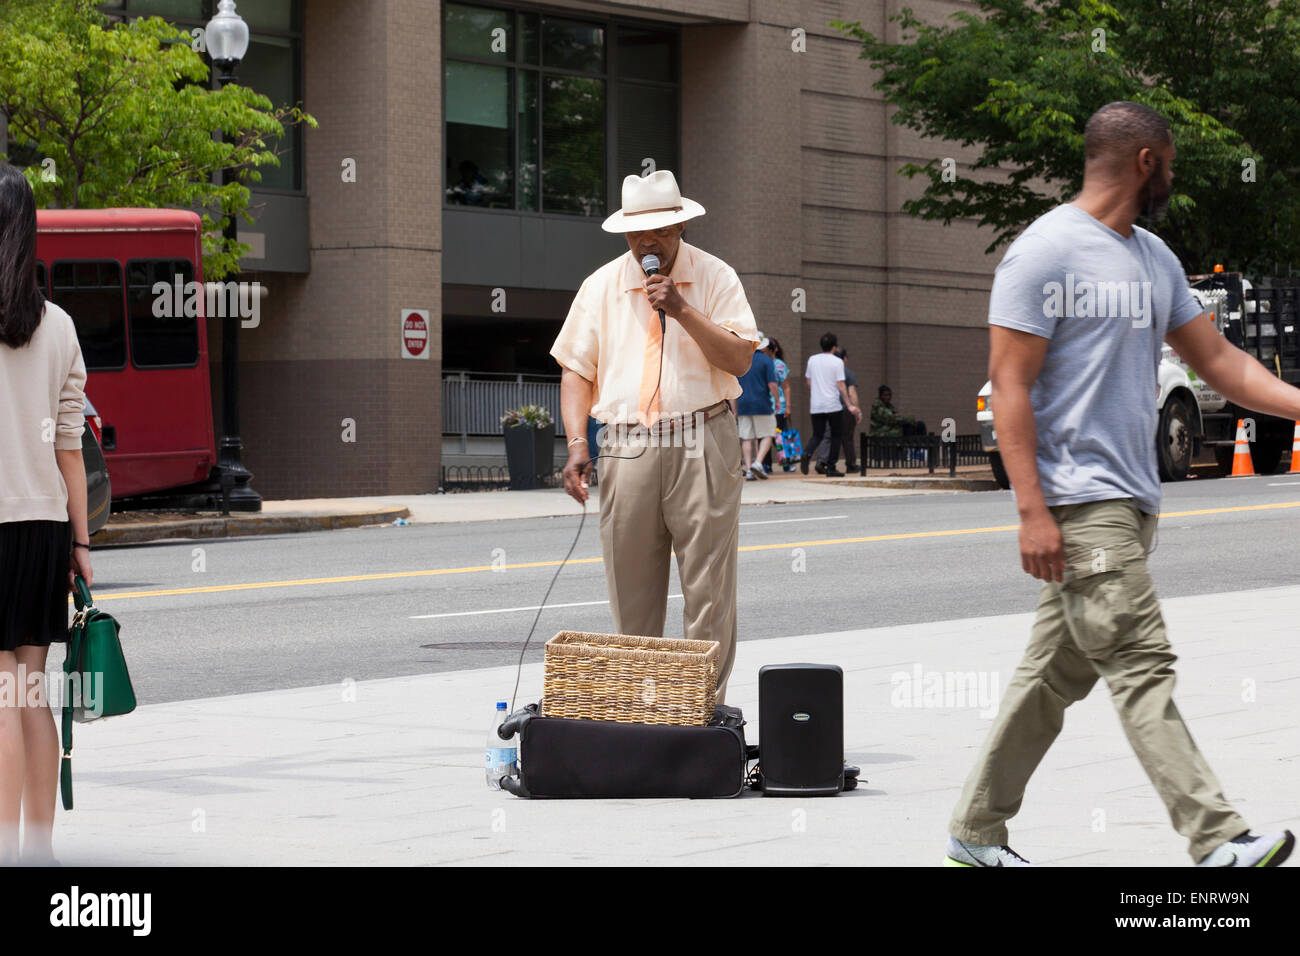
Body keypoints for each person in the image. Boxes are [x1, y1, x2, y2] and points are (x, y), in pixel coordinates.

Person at [945, 101, 1296, 868]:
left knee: (1051, 677)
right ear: (1147, 161)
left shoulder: (1153, 258)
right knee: (1141, 662)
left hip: (1132, 503)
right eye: (1169, 162)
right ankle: (1217, 838)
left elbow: (1221, 363)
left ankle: (974, 833)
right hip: (1082, 503)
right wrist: (1031, 510)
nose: (1173, 175)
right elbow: (1008, 386)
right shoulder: (1043, 252)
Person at [552, 170, 758, 703]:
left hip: (703, 438)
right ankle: (643, 713)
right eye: (637, 232)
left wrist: (682, 309)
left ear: (681, 225)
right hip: (625, 444)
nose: (648, 241)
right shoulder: (600, 286)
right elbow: (575, 368)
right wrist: (577, 442)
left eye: (660, 230)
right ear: (624, 234)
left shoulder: (716, 278)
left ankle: (701, 710)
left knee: (708, 590)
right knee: (631, 590)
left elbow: (739, 357)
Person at [0, 164, 91, 866]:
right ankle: (38, 851)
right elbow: (70, 453)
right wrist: (81, 545)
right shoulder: (58, 326)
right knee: (29, 690)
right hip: (44, 530)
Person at [801, 332, 858, 477]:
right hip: (833, 405)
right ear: (834, 347)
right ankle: (831, 467)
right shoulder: (837, 362)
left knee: (817, 434)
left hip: (816, 405)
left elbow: (808, 382)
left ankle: (807, 453)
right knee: (836, 435)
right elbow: (841, 385)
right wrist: (849, 404)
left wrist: (818, 391)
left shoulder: (812, 359)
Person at [735, 333, 778, 480]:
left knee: (746, 437)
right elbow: (772, 384)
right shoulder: (766, 360)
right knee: (769, 432)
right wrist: (777, 401)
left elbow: (734, 386)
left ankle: (748, 469)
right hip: (761, 403)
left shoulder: (740, 360)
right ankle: (758, 463)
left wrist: (735, 409)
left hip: (742, 403)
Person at [817, 346, 860, 473]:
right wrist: (857, 410)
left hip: (827, 407)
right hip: (844, 409)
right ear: (845, 359)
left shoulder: (825, 373)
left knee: (827, 435)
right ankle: (851, 464)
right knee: (847, 437)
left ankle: (821, 461)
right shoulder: (847, 373)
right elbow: (852, 393)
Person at [764, 337, 794, 472]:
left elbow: (786, 386)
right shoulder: (762, 363)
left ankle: (786, 462)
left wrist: (788, 406)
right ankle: (766, 464)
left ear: (773, 350)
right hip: (764, 405)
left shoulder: (780, 365)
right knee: (765, 436)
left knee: (778, 436)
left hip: (778, 407)